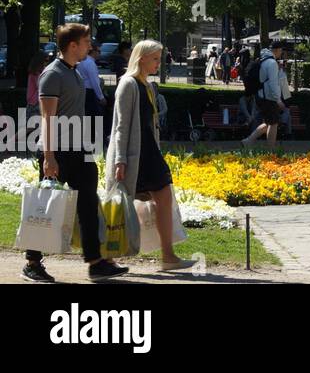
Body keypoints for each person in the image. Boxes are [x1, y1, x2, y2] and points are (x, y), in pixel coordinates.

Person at [22, 23, 128, 283]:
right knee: (47, 208)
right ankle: (32, 263)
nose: (90, 45)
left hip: (80, 149)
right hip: (58, 151)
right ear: (72, 45)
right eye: (86, 41)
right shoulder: (52, 74)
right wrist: (49, 157)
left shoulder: (75, 71)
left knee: (89, 205)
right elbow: (47, 119)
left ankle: (96, 262)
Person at [106, 40, 196, 271]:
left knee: (163, 196)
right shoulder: (128, 84)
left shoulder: (145, 84)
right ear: (142, 58)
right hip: (136, 154)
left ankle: (168, 255)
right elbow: (121, 126)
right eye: (155, 58)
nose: (159, 63)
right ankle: (107, 256)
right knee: (122, 204)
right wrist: (120, 159)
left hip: (147, 152)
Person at [241, 42, 285, 149]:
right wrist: (278, 99)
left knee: (268, 122)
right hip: (269, 98)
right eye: (281, 50)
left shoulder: (263, 60)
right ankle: (271, 150)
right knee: (273, 123)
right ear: (277, 50)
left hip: (260, 96)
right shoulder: (272, 63)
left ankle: (248, 141)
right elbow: (273, 84)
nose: (282, 52)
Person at [76, 42, 107, 149]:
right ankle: (99, 143)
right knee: (96, 117)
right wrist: (101, 97)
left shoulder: (81, 62)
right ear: (93, 51)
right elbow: (94, 82)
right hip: (90, 93)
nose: (99, 54)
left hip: (82, 92)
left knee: (87, 118)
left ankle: (88, 141)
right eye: (98, 51)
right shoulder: (90, 63)